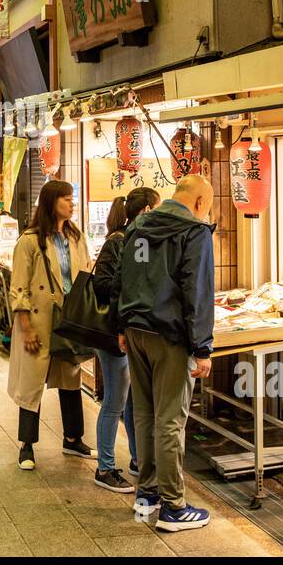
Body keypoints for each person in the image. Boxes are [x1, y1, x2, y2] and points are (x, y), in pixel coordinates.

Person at [119, 174, 216, 531]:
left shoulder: (139, 224)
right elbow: (198, 292)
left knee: (144, 414)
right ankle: (174, 507)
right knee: (171, 420)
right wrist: (202, 347)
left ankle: (146, 494)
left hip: (135, 330)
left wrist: (121, 325)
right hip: (170, 337)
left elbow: (124, 277)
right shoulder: (194, 232)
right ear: (200, 202)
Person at [8, 179, 93, 470]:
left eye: (73, 198)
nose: (72, 203)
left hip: (68, 318)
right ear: (50, 202)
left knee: (71, 378)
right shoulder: (30, 240)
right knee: (32, 383)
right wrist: (26, 327)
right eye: (66, 199)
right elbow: (18, 288)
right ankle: (26, 445)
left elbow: (86, 273)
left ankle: (73, 439)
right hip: (39, 319)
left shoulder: (76, 236)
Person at [90, 187, 161, 493]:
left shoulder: (140, 240)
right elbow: (103, 285)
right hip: (113, 334)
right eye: (156, 209)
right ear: (145, 211)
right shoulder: (118, 241)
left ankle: (137, 459)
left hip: (132, 331)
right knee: (114, 402)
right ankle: (104, 468)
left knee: (134, 402)